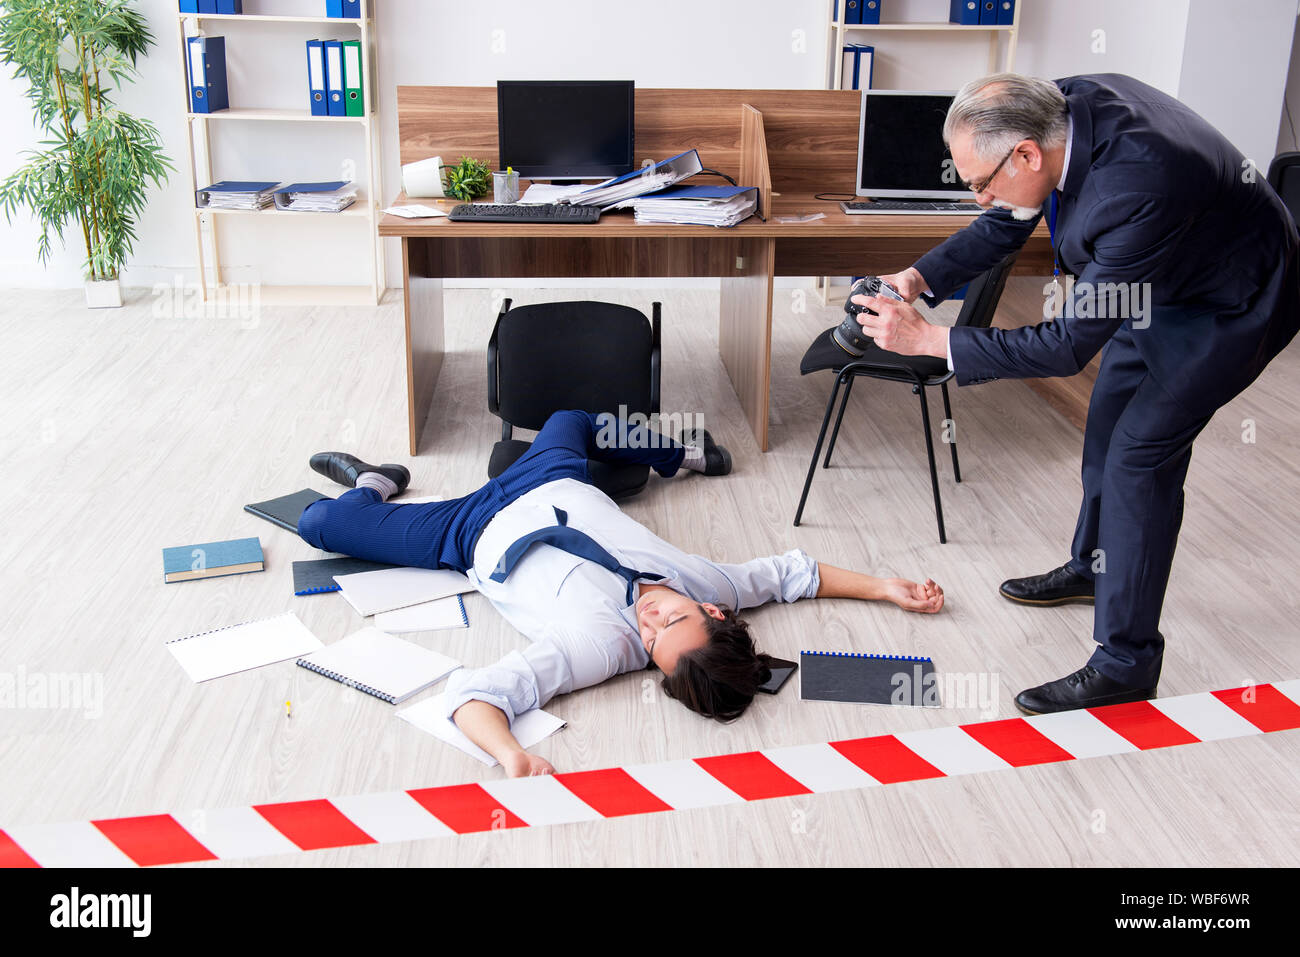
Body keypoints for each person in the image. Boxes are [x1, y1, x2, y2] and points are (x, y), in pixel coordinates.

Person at [849, 73, 1300, 715]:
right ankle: (1094, 566)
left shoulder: (1137, 187)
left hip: (1230, 303)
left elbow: (1065, 347)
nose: (978, 198)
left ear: (1028, 154)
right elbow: (1007, 222)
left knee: (1139, 461)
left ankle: (1127, 662)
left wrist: (930, 342)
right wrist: (917, 278)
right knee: (1106, 425)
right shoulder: (1054, 109)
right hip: (1154, 277)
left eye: (979, 183)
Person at [297, 409, 944, 777]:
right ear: (713, 610)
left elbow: (473, 694)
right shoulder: (715, 585)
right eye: (672, 616)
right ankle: (677, 456)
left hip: (466, 532)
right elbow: (794, 573)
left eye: (653, 640)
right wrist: (885, 588)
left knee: (320, 525)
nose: (649, 620)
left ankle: (373, 481)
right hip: (545, 473)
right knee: (571, 417)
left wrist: (512, 754)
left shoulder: (600, 647)